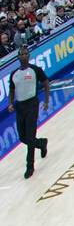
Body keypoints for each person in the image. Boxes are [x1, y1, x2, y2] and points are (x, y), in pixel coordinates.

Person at [6, 46, 50, 179]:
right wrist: (10, 103)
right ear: (18, 57)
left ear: (29, 55)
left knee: (30, 137)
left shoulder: (35, 70)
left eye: (25, 53)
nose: (23, 56)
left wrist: (46, 101)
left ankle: (30, 166)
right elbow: (12, 90)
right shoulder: (14, 74)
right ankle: (42, 143)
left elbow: (46, 83)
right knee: (22, 137)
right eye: (21, 54)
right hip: (20, 106)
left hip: (32, 104)